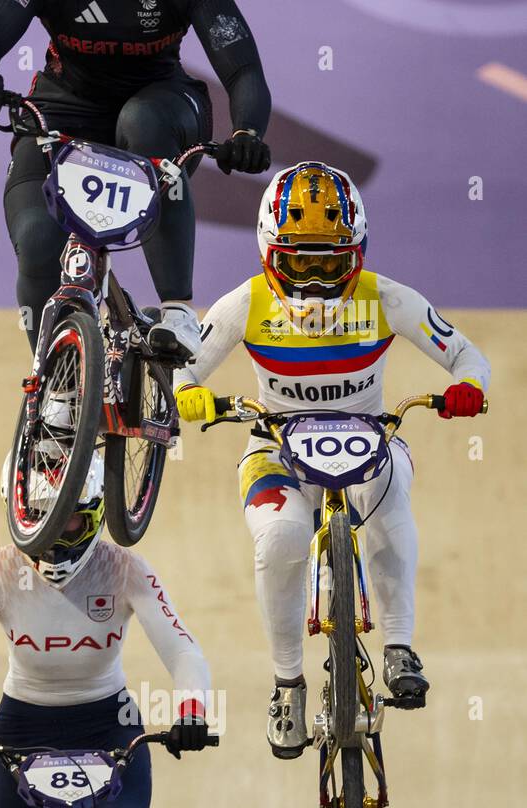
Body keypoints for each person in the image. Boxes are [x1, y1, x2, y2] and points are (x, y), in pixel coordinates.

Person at [173, 162, 491, 758]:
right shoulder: (245, 303)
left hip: (370, 441)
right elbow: (178, 369)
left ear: (358, 254)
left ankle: (399, 646)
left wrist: (468, 384)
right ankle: (287, 682)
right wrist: (186, 392)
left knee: (392, 500)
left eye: (331, 262)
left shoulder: (388, 297)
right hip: (276, 447)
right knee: (281, 539)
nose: (317, 281)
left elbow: (468, 356)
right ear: (270, 253)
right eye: (302, 262)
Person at [0, 456, 212, 808]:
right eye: (42, 517)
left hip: (110, 726)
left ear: (94, 515)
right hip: (23, 729)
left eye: (70, 520)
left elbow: (183, 649)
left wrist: (191, 713)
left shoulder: (124, 568)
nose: (56, 533)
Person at [0, 0, 272, 353]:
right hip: (65, 108)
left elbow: (243, 69)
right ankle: (59, 385)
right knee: (37, 238)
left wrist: (247, 134)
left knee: (142, 121)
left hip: (164, 109)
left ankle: (178, 313)